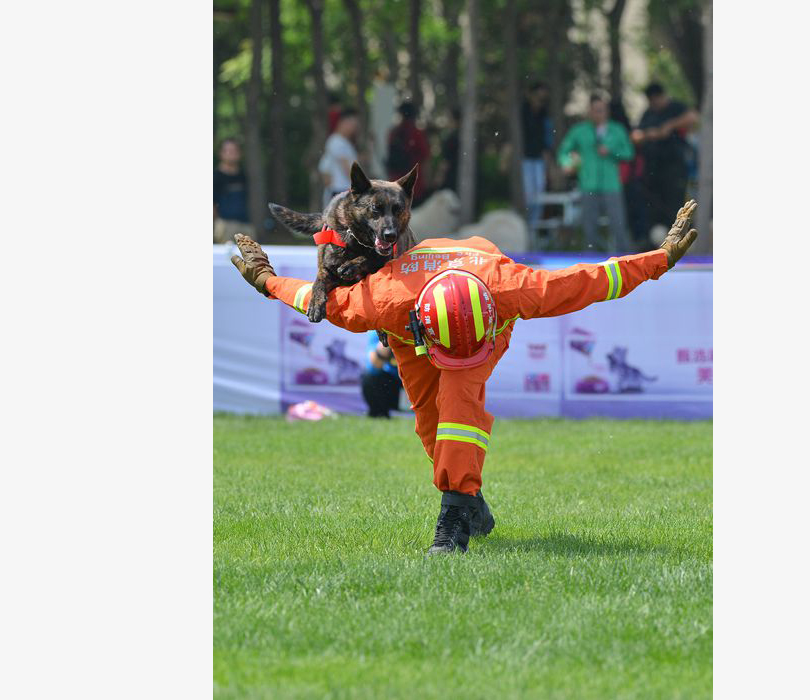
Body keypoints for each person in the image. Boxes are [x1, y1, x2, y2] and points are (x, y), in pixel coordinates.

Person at [230, 201, 699, 554]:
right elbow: (320, 300)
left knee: (458, 411)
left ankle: (453, 523)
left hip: (480, 329)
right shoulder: (389, 299)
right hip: (416, 331)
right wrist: (266, 280)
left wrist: (659, 259)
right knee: (429, 427)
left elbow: (587, 281)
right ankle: (470, 500)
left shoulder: (512, 287)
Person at [556, 95, 634, 252]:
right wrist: (569, 163)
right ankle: (590, 260)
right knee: (589, 227)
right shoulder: (579, 131)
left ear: (607, 111)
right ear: (590, 111)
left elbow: (629, 153)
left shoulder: (617, 130)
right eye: (595, 110)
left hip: (611, 185)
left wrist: (611, 151)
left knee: (618, 224)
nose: (598, 114)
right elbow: (563, 152)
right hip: (588, 184)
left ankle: (624, 259)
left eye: (601, 110)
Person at [631, 83, 699, 242]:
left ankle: (679, 240)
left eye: (656, 99)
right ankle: (656, 242)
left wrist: (670, 126)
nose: (654, 103)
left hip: (674, 169)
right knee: (654, 208)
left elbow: (693, 117)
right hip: (653, 171)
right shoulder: (648, 113)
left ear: (661, 96)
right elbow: (636, 136)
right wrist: (650, 135)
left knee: (676, 206)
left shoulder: (675, 107)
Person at [521, 82, 553, 233]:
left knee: (539, 193)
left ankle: (533, 228)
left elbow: (546, 138)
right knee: (528, 194)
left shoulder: (543, 114)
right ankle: (526, 227)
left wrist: (547, 158)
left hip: (539, 159)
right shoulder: (523, 111)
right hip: (525, 158)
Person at [386, 102, 431, 205]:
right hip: (415, 185)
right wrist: (428, 182)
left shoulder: (393, 133)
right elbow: (425, 159)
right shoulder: (417, 133)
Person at [318, 108, 360, 208]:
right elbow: (347, 169)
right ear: (343, 122)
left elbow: (324, 168)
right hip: (339, 191)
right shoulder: (336, 142)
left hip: (343, 191)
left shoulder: (343, 142)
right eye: (353, 125)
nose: (354, 129)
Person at [213, 138, 253, 243]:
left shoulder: (242, 175)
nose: (232, 154)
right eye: (228, 151)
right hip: (224, 224)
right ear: (221, 153)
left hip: (245, 223)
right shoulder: (215, 176)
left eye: (234, 151)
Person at [361, 331, 403, 418]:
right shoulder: (378, 330)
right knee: (370, 378)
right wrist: (386, 340)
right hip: (395, 383)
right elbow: (373, 367)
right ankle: (379, 413)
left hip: (417, 379)